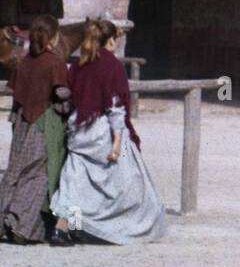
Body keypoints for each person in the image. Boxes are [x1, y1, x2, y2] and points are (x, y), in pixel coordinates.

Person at [50, 19, 167, 246]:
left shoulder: (79, 64)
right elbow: (115, 109)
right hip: (101, 133)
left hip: (79, 131)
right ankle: (117, 227)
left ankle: (65, 229)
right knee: (126, 183)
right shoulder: (113, 66)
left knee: (74, 185)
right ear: (110, 40)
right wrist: (117, 145)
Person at [0, 15, 69, 244]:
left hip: (21, 123)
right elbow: (61, 95)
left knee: (14, 172)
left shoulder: (24, 62)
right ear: (53, 36)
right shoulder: (55, 62)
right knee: (37, 174)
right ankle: (20, 225)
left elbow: (17, 96)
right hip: (43, 124)